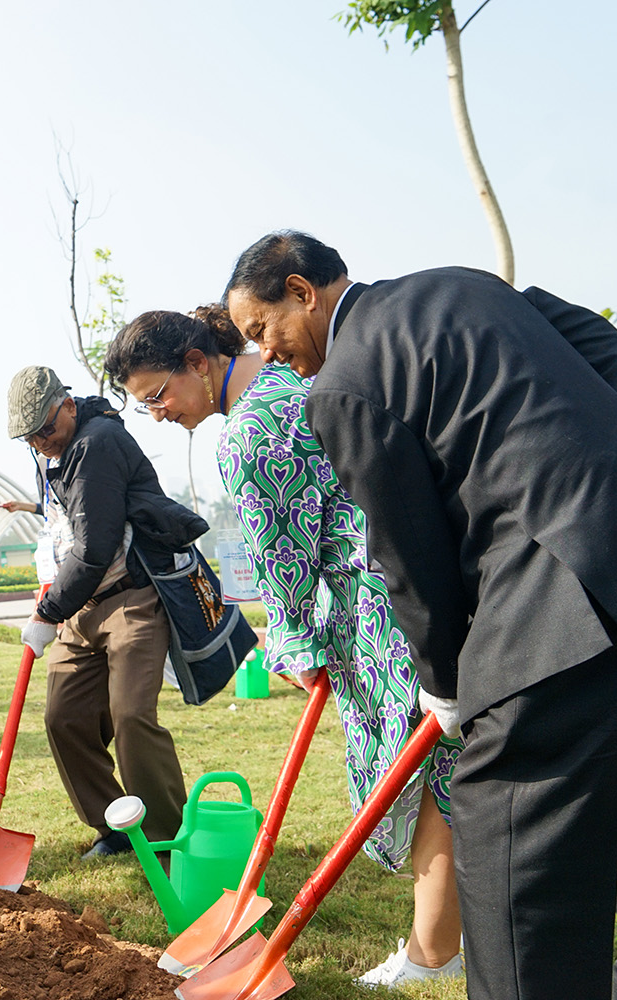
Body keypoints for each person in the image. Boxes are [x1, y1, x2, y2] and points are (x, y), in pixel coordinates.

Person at [223, 230, 617, 1000]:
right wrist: (561, 439)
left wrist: (441, 683)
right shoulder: (466, 285)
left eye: (261, 329)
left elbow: (410, 560)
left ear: (301, 291)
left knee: (510, 839)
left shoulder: (341, 389)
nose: (268, 353)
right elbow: (598, 341)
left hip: (561, 581)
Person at [104, 307, 465, 987]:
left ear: (198, 362)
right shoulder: (291, 382)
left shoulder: (249, 434)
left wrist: (296, 644)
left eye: (158, 395)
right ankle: (440, 936)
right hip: (405, 585)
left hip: (375, 607)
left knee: (415, 779)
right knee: (434, 772)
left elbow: (282, 553)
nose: (157, 414)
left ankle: (433, 953)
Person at [5, 366, 207, 859]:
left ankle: (164, 836)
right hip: (81, 607)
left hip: (130, 598)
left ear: (68, 406)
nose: (41, 442)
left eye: (46, 429)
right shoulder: (54, 451)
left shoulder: (98, 443)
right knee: (64, 717)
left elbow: (95, 549)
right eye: (30, 437)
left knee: (132, 715)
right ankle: (115, 826)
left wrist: (47, 613)